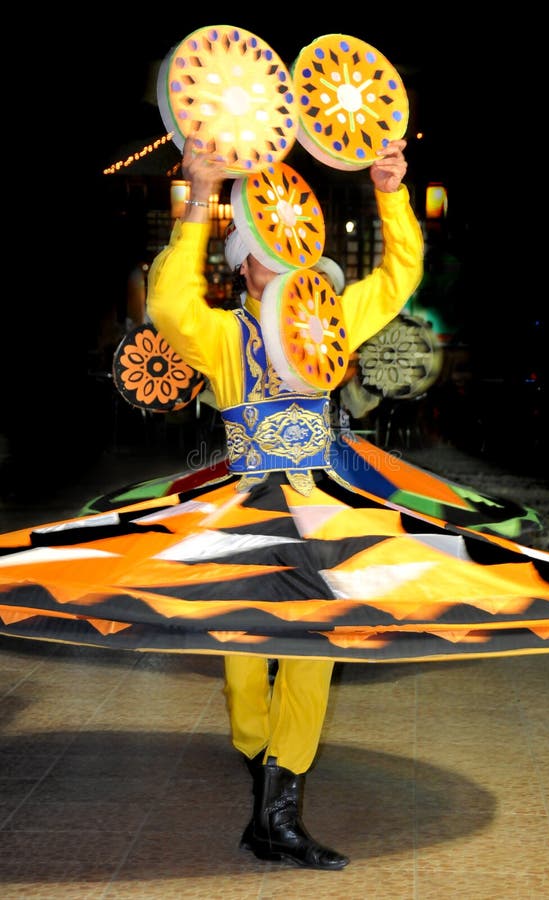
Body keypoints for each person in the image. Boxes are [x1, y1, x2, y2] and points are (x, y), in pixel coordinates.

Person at [146, 135, 424, 870]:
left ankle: (277, 809)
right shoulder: (222, 335)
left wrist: (391, 194)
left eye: (296, 250)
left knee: (314, 647)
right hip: (245, 511)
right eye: (269, 250)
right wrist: (200, 200)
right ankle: (257, 751)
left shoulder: (328, 323)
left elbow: (399, 277)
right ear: (244, 265)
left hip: (317, 509)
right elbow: (168, 302)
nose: (287, 260)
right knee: (244, 653)